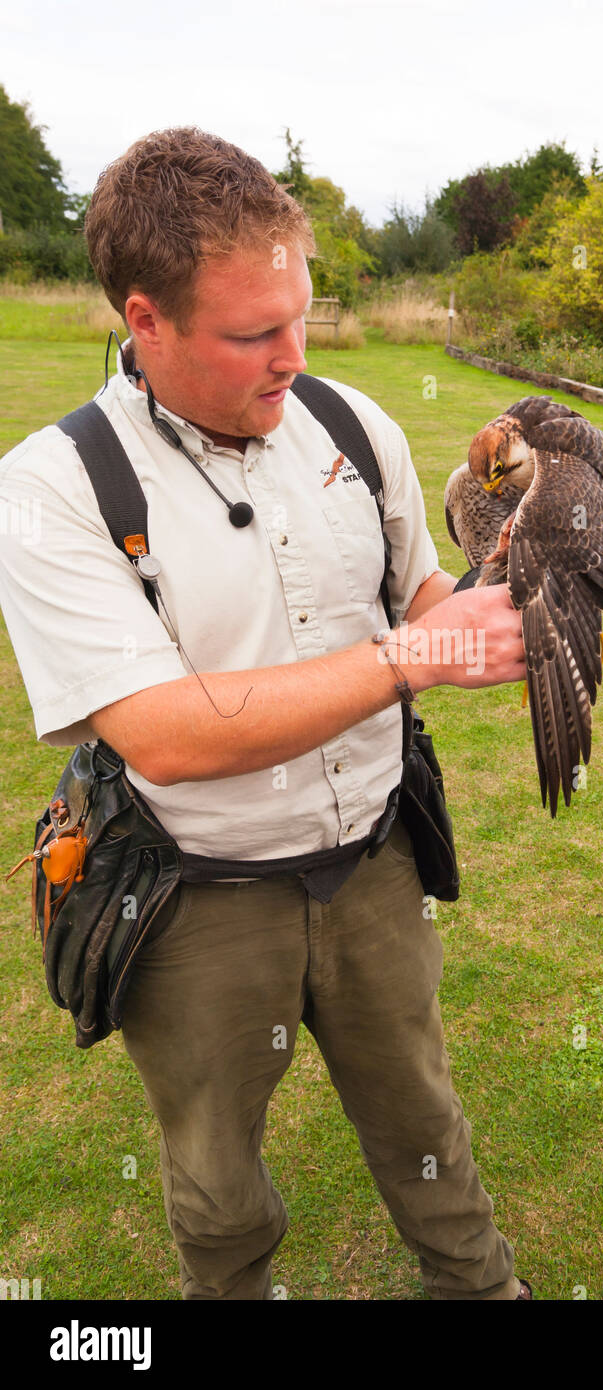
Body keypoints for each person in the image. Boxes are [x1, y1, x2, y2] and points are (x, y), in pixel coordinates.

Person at [0, 127, 533, 1301]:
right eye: (252, 335)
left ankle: (480, 1288)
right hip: (196, 895)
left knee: (424, 1116)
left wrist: (506, 604)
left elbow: (417, 596)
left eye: (303, 319)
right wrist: (414, 658)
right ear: (146, 321)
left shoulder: (349, 425)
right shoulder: (54, 485)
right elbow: (168, 734)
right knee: (215, 1177)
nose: (293, 359)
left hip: (374, 867)